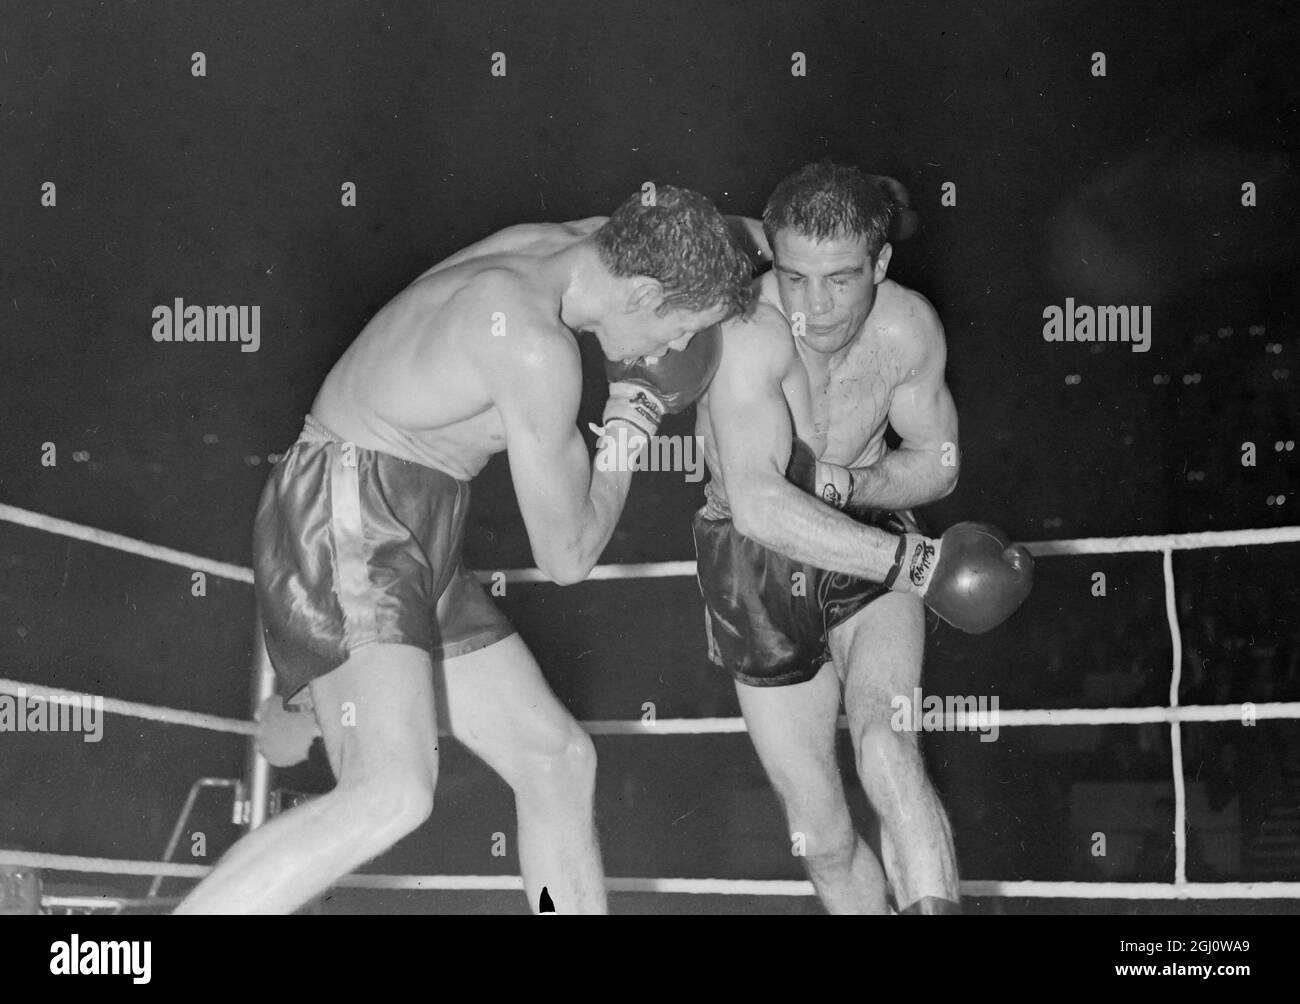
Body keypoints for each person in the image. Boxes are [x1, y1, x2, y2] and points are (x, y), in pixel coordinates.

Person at [176, 186, 753, 915]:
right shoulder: (534, 347)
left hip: (413, 518)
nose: (674, 351)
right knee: (391, 790)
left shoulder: (579, 245)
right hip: (349, 505)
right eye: (679, 329)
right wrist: (631, 427)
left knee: (556, 759)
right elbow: (567, 556)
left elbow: (728, 235)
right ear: (642, 291)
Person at [694, 162, 1032, 914]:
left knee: (888, 742)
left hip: (868, 535)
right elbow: (759, 506)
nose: (813, 307)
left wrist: (855, 487)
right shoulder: (745, 333)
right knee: (823, 837)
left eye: (841, 279)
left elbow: (938, 463)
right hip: (754, 561)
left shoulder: (906, 327)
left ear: (880, 263)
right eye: (794, 277)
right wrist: (917, 565)